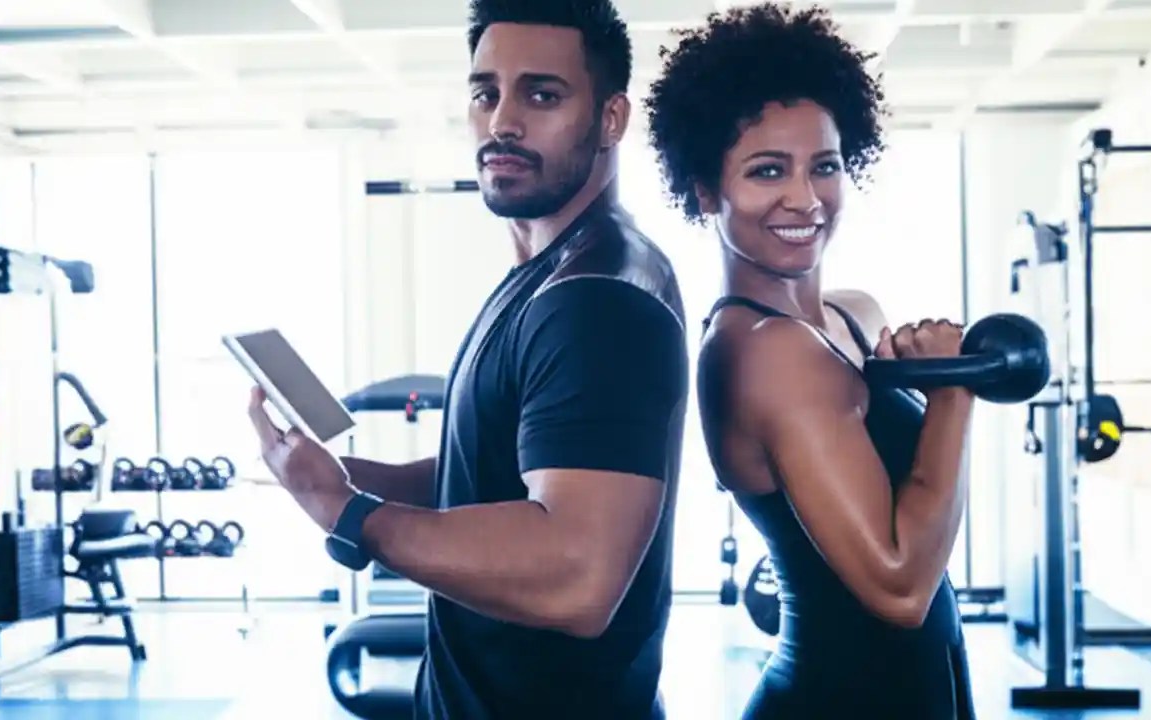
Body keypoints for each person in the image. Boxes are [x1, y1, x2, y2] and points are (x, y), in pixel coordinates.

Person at [246, 1, 689, 718]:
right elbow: (498, 473)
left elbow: (578, 576)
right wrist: (352, 477)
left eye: (541, 95)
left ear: (611, 119)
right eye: (486, 93)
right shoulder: (555, 271)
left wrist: (348, 513)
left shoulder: (597, 300)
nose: (501, 121)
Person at [644, 4, 975, 718]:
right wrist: (951, 394)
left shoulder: (852, 316)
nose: (805, 198)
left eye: (823, 167)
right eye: (767, 171)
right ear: (706, 190)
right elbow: (900, 588)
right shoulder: (767, 354)